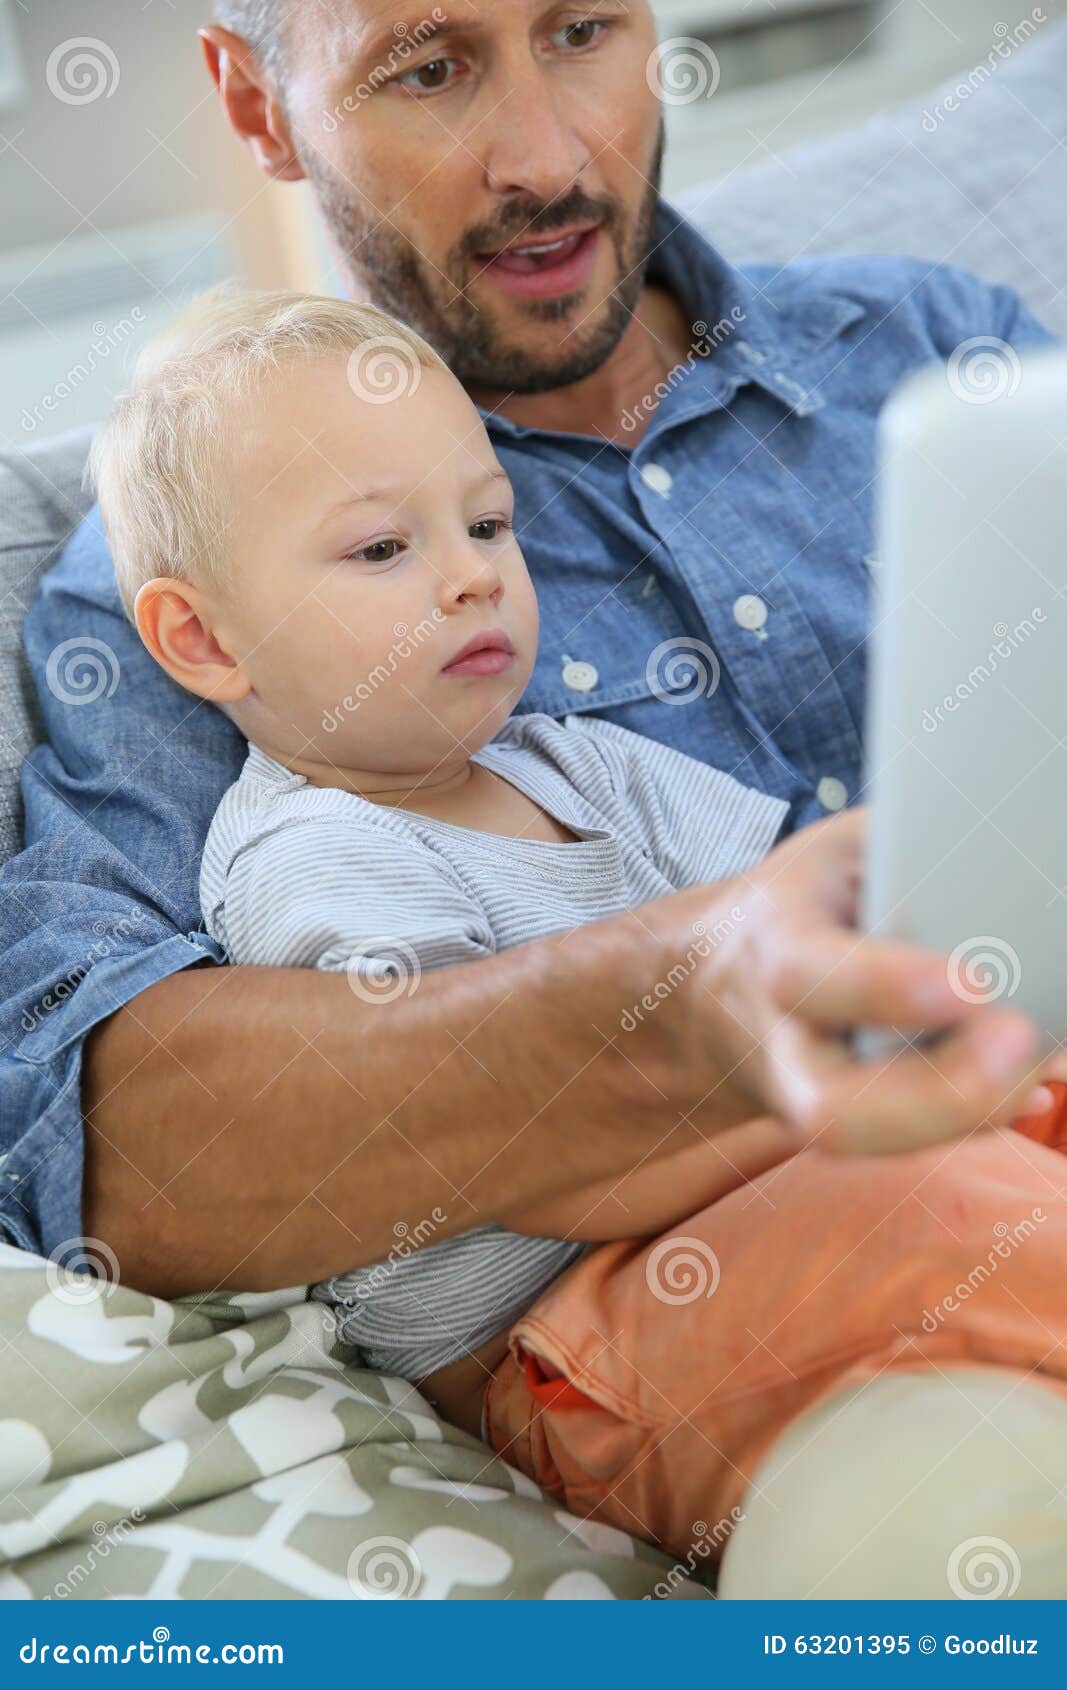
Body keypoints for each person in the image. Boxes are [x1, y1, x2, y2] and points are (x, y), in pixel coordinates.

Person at [1, 0, 1062, 1594]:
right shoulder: (206, 568)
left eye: (581, 29)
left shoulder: (932, 345)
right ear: (261, 103)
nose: (546, 157)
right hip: (720, 1308)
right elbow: (107, 1139)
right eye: (427, 68)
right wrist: (688, 1018)